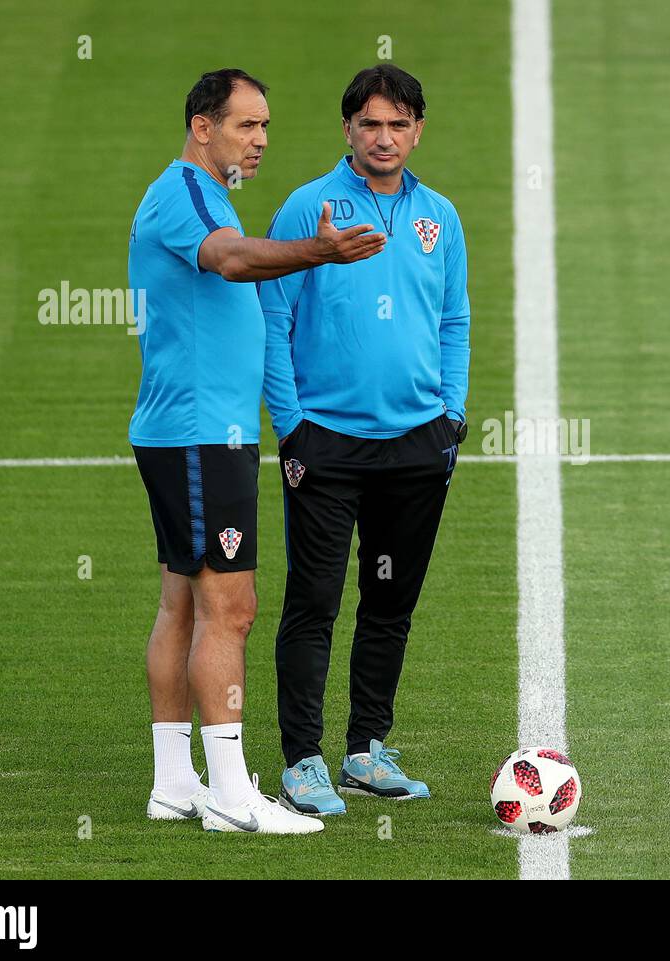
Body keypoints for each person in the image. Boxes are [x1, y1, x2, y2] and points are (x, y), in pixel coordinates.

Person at [129, 68, 384, 835]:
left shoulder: (201, 193)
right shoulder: (186, 192)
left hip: (192, 434)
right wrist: (321, 250)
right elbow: (233, 260)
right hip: (204, 438)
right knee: (230, 609)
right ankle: (234, 795)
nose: (262, 139)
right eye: (247, 125)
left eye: (266, 126)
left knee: (182, 603)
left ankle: (176, 782)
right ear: (203, 126)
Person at [260, 64, 470, 817]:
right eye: (371, 124)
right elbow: (272, 320)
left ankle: (365, 751)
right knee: (314, 600)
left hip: (416, 447)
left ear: (418, 130)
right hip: (328, 446)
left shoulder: (438, 216)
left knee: (388, 601)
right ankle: (302, 758)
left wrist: (451, 416)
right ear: (348, 130)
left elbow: (454, 319)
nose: (385, 138)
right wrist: (292, 427)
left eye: (399, 124)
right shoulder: (307, 208)